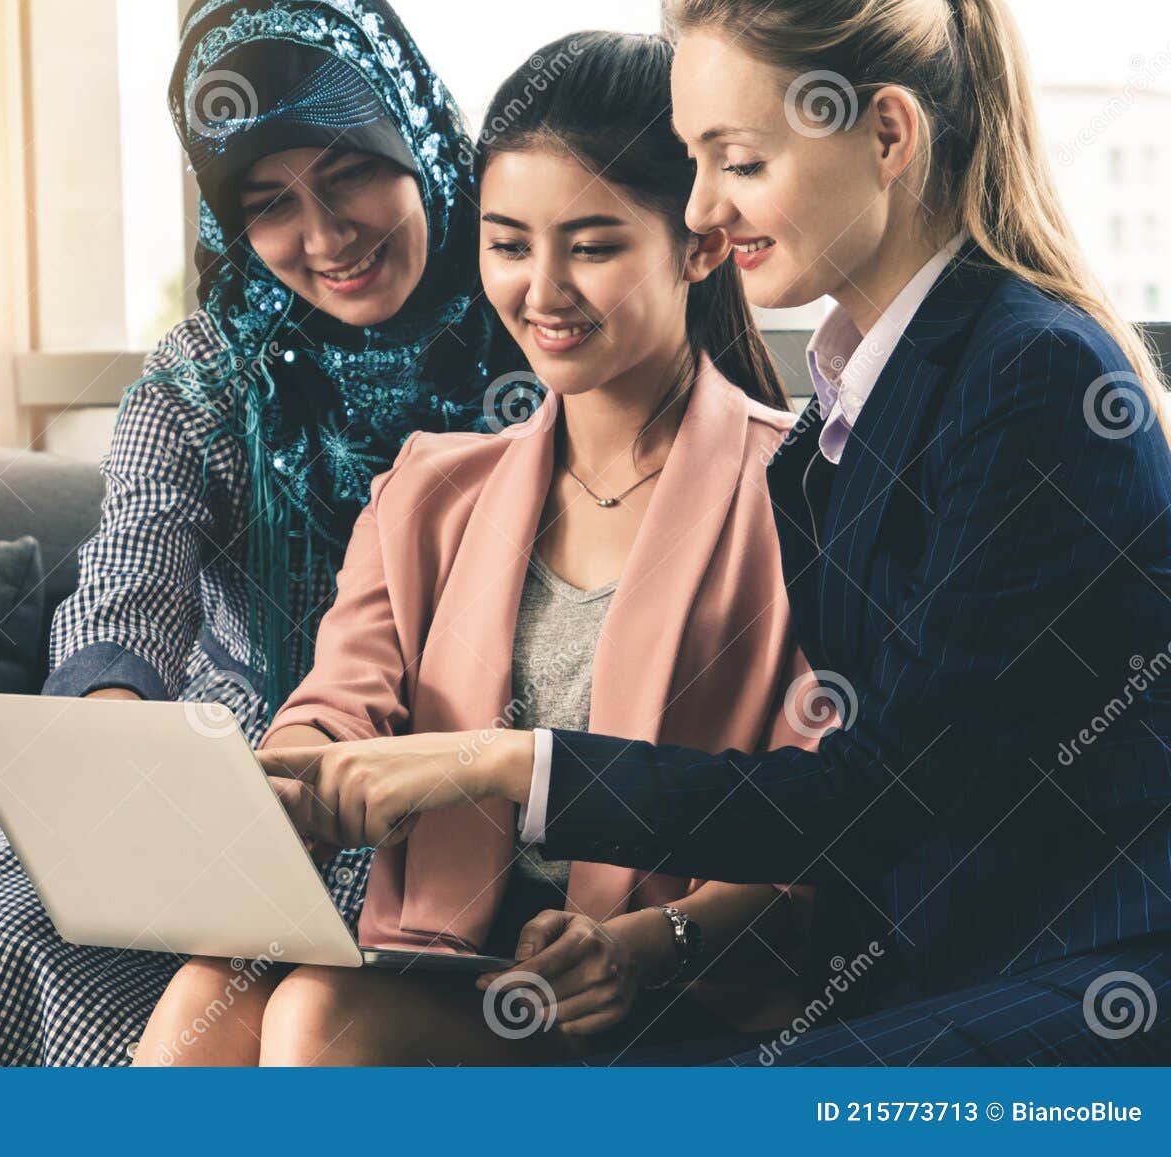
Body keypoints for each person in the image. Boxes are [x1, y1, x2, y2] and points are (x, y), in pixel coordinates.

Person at [259, 0, 1171, 1066]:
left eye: (736, 162)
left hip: (1067, 979)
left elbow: (871, 792)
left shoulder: (1027, 376)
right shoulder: (870, 399)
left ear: (887, 134)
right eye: (693, 161)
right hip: (924, 967)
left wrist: (510, 764)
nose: (702, 207)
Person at [0, 0, 514, 1067]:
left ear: (408, 130)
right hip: (207, 800)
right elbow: (126, 588)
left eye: (347, 170)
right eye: (268, 201)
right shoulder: (203, 378)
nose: (323, 236)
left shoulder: (536, 334)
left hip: (422, 800)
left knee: (248, 1011)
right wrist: (121, 752)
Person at [134, 32, 827, 1067]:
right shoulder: (429, 488)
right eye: (507, 244)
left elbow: (829, 823)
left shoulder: (807, 492)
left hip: (668, 986)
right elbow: (338, 704)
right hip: (452, 959)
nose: (542, 291)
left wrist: (641, 941)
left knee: (316, 1018)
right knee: (209, 991)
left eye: (591, 246)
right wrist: (287, 782)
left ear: (698, 244)